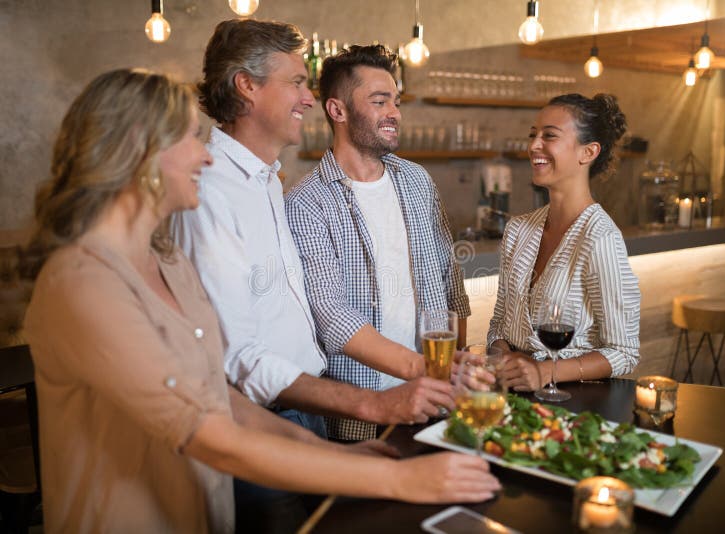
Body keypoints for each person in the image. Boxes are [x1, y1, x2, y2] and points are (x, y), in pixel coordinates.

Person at [20, 68, 499, 533]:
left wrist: (337, 453)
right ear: (140, 148)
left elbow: (223, 399)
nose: (206, 157)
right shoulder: (82, 283)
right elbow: (212, 437)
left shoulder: (167, 261)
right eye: (190, 138)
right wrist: (397, 477)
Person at [172, 20, 458, 531]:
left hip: (303, 414)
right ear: (247, 86)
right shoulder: (214, 192)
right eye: (297, 82)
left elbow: (443, 278)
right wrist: (375, 402)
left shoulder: (265, 182)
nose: (308, 98)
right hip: (259, 422)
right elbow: (241, 356)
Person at [285, 45, 470, 441]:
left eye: (396, 102)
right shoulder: (306, 203)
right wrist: (421, 368)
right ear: (337, 110)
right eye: (379, 101)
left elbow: (449, 279)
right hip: (362, 414)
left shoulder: (417, 180)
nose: (395, 113)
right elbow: (331, 314)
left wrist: (452, 373)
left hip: (436, 403)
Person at [488, 93, 641, 391]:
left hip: (573, 400)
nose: (534, 146)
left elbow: (624, 352)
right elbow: (499, 325)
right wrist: (503, 357)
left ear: (588, 152)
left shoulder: (600, 238)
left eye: (549, 136)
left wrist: (546, 372)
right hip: (515, 394)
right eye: (533, 135)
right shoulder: (517, 230)